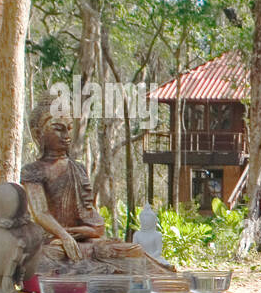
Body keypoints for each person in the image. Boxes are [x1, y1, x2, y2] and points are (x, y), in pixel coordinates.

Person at [21, 98, 170, 275]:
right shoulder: (33, 170)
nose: (67, 136)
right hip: (54, 242)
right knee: (42, 258)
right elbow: (40, 213)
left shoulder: (77, 169)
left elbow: (95, 224)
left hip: (82, 242)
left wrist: (78, 232)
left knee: (131, 250)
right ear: (38, 134)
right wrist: (63, 235)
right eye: (58, 129)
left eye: (69, 128)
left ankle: (156, 276)